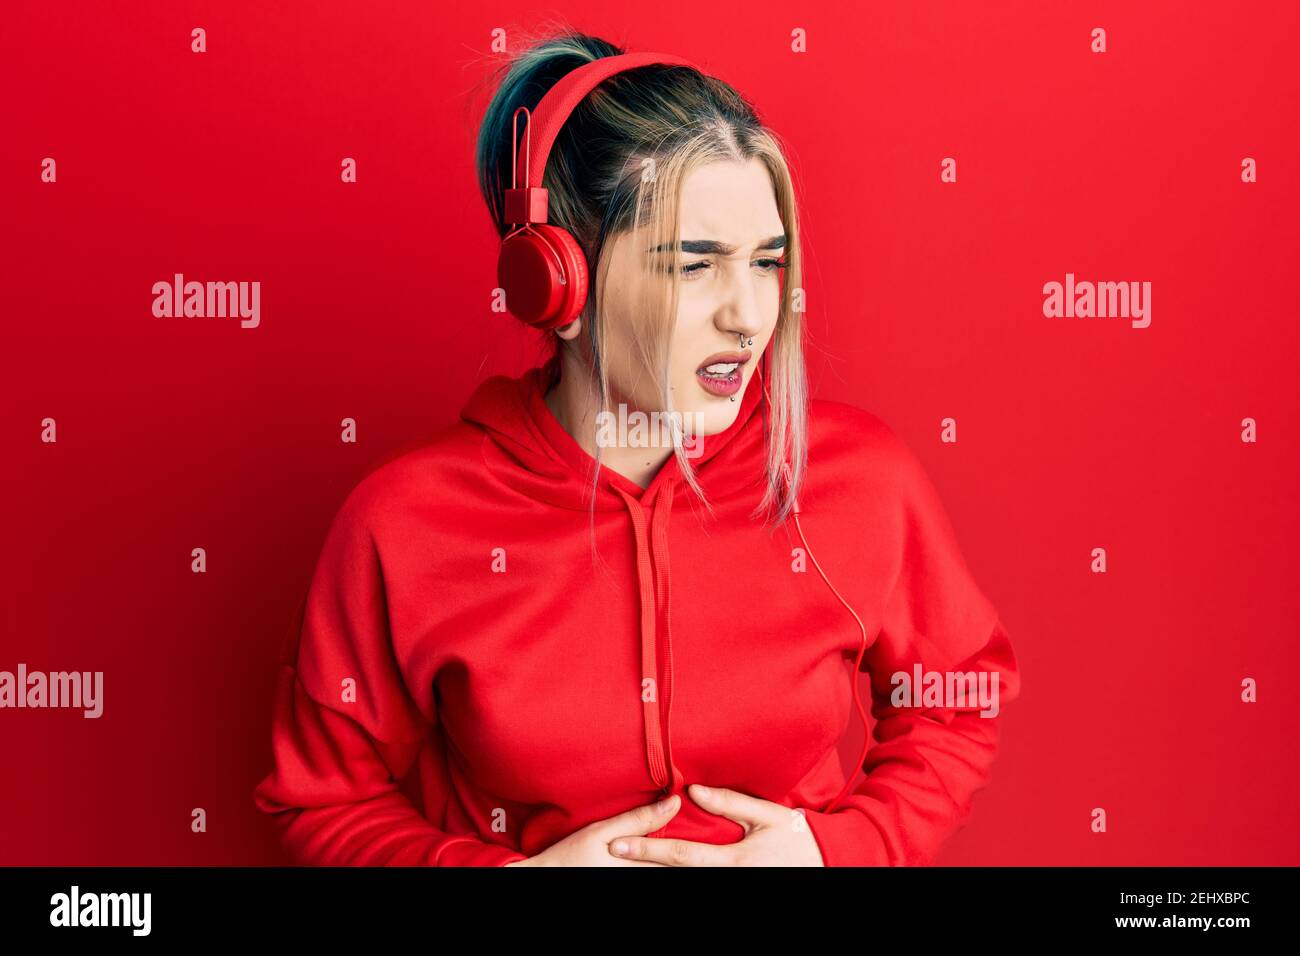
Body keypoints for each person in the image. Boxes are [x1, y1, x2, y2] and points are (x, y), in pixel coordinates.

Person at [251, 31, 1021, 867]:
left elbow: (957, 697)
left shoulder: (857, 478)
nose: (748, 315)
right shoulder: (404, 523)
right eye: (694, 266)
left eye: (767, 261)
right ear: (558, 284)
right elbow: (322, 801)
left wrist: (839, 852)